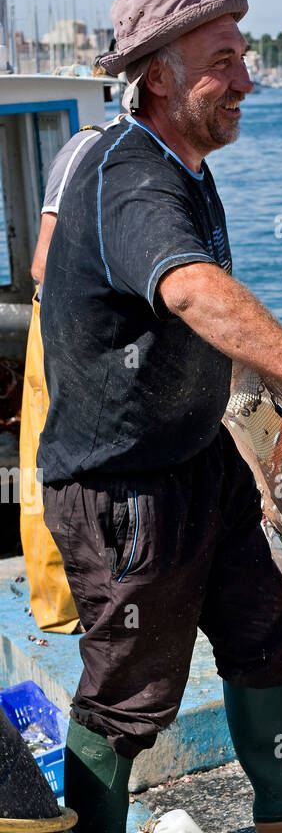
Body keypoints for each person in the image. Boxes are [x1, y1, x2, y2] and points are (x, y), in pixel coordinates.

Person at [39, 0, 282, 833]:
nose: (245, 80)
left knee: (265, 626)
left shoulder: (183, 167)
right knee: (129, 688)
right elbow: (196, 292)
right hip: (124, 488)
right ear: (158, 78)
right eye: (221, 64)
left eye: (243, 58)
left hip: (199, 462)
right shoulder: (131, 175)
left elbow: (208, 323)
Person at [22, 117, 126, 635]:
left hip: (90, 334)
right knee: (50, 455)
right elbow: (44, 263)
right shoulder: (89, 149)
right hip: (62, 329)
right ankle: (62, 603)